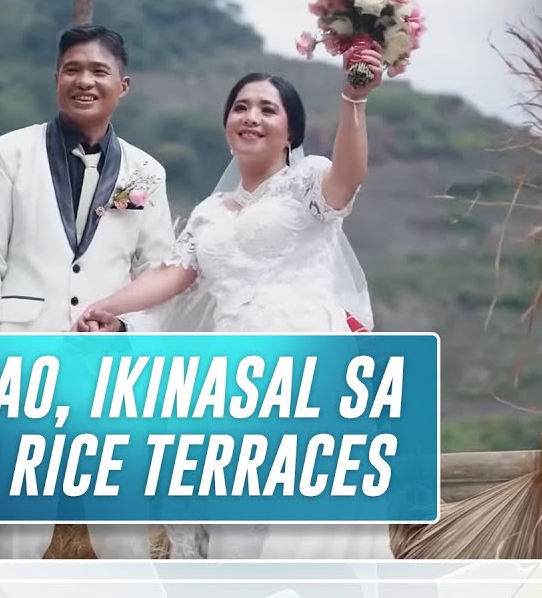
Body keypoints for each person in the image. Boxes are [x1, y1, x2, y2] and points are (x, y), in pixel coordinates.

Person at [72, 51, 393, 561]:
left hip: (305, 360)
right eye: (240, 107)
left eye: (267, 110)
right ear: (227, 124)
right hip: (232, 373)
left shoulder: (309, 181)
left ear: (290, 131)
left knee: (302, 512)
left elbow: (349, 179)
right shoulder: (207, 213)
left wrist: (354, 100)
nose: (251, 117)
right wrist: (107, 306)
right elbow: (172, 275)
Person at [0, 23, 175, 559]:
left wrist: (125, 327)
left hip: (107, 371)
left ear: (123, 85)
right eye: (72, 69)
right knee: (15, 531)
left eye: (99, 71)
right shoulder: (11, 152)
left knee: (123, 530)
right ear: (55, 78)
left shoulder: (146, 172)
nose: (85, 80)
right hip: (20, 360)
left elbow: (160, 275)